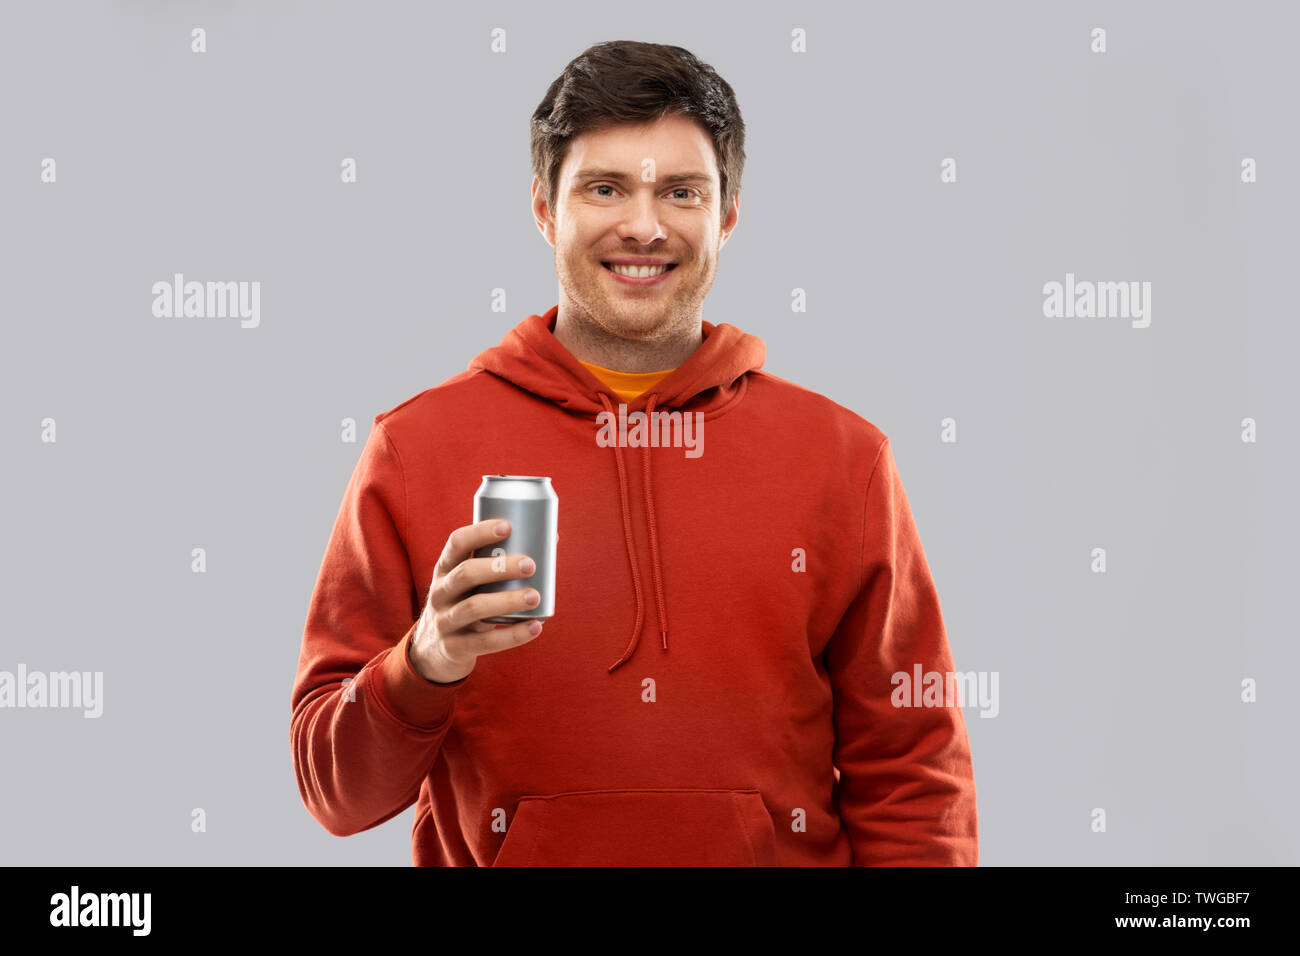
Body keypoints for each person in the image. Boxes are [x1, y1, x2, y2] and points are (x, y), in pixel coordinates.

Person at [290, 39, 978, 866]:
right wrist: (425, 662)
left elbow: (912, 772)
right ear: (545, 209)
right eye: (605, 187)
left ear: (726, 217)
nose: (644, 226)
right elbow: (335, 795)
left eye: (680, 192)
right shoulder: (415, 448)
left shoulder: (844, 457)